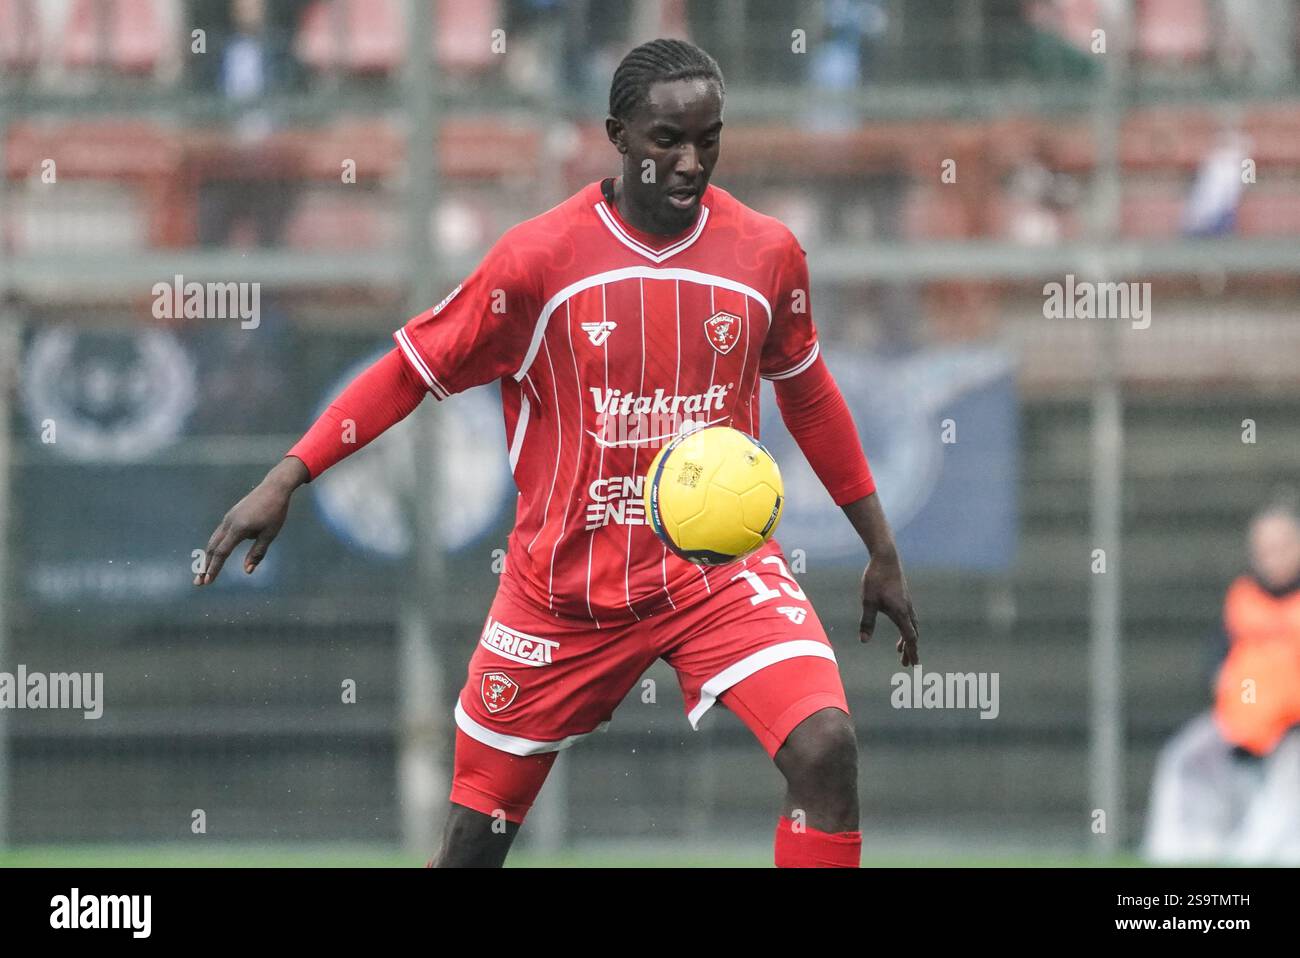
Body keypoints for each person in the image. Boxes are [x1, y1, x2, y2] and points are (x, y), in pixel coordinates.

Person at [194, 39, 919, 868]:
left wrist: (880, 545)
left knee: (825, 750)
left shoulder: (766, 254)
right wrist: (289, 475)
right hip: (562, 596)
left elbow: (810, 391)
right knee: (472, 848)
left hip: (719, 574)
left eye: (709, 139)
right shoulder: (538, 261)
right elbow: (410, 369)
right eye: (666, 141)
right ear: (617, 135)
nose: (691, 162)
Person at [1143, 499, 1300, 864]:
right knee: (1181, 759)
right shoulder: (1243, 596)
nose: (1272, 557)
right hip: (1237, 726)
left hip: (1292, 733)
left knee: (1274, 822)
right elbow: (1218, 656)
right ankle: (1183, 848)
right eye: (1264, 549)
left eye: (1282, 547)